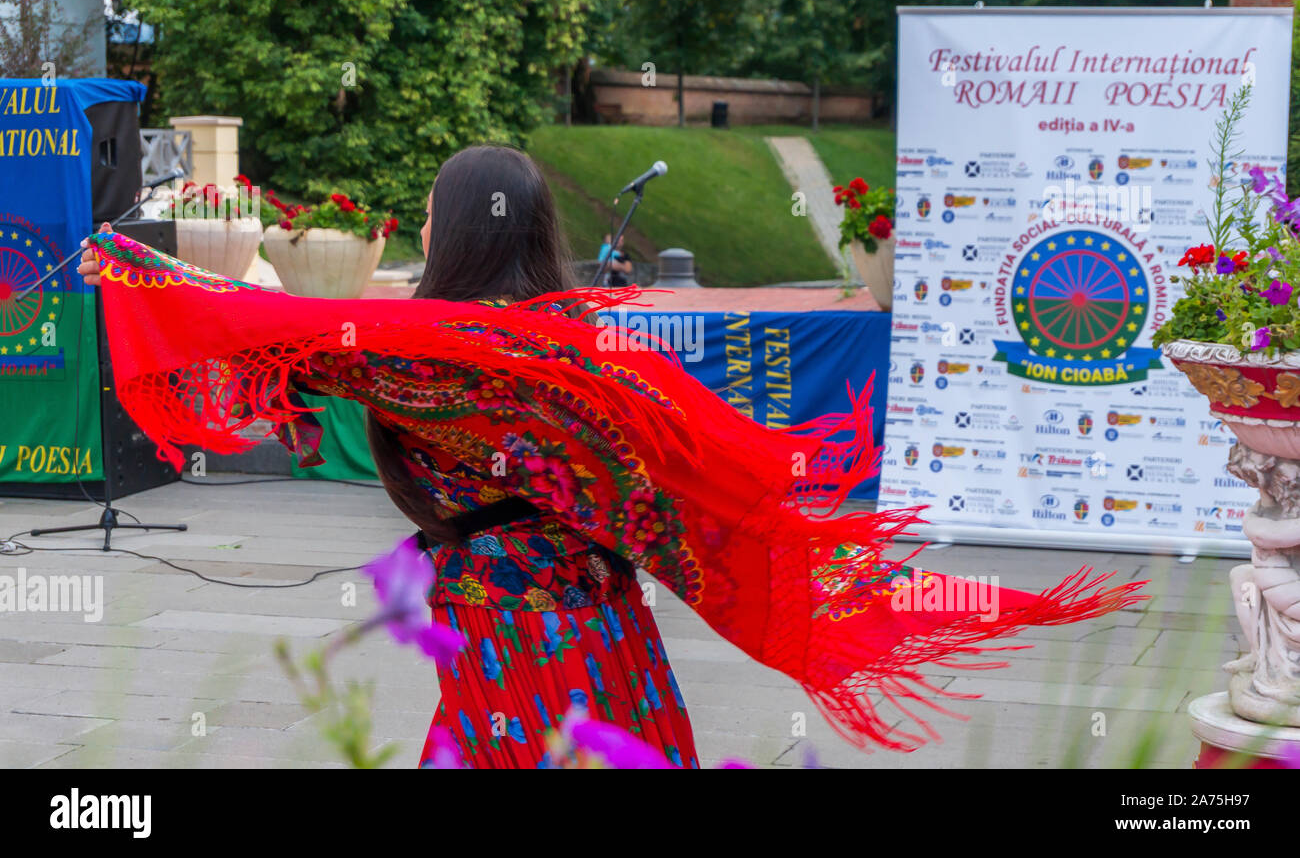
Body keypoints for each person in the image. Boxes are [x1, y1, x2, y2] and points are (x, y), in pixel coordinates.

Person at [79, 145, 1144, 767]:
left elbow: (245, 330)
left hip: (491, 626)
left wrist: (126, 267)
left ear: (448, 235)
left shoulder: (391, 353)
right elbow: (702, 466)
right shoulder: (589, 354)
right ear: (539, 230)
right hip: (595, 626)